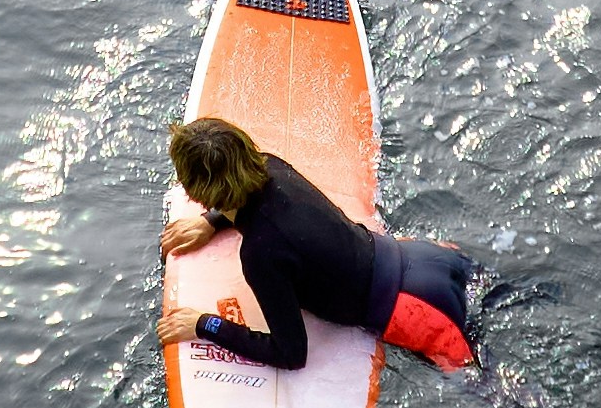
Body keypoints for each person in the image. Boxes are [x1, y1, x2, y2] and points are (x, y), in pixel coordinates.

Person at [163, 115, 483, 372]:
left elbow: (290, 353)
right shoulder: (270, 165)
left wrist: (204, 324)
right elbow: (264, 207)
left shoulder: (260, 253)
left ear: (195, 190)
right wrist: (211, 221)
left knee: (507, 404)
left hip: (419, 314)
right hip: (428, 258)